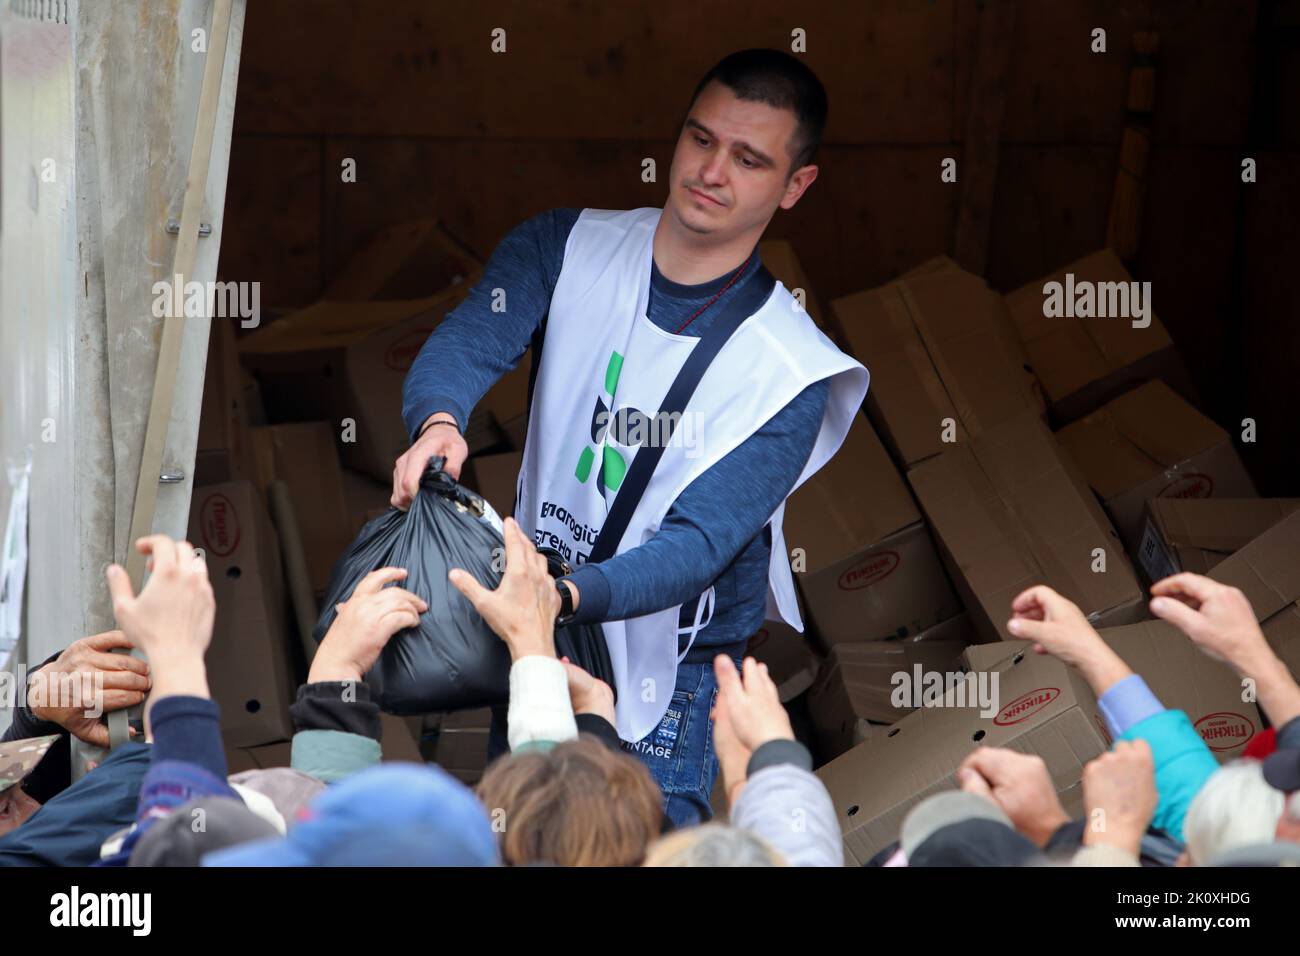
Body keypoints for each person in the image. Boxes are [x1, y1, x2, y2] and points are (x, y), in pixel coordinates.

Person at [396, 48, 868, 826]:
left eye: (749, 159)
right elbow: (471, 338)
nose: (711, 171)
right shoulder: (565, 244)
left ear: (795, 186)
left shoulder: (792, 374)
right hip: (543, 616)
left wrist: (559, 598)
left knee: (632, 850)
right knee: (525, 835)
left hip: (668, 662)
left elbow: (698, 547)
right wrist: (439, 422)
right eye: (701, 139)